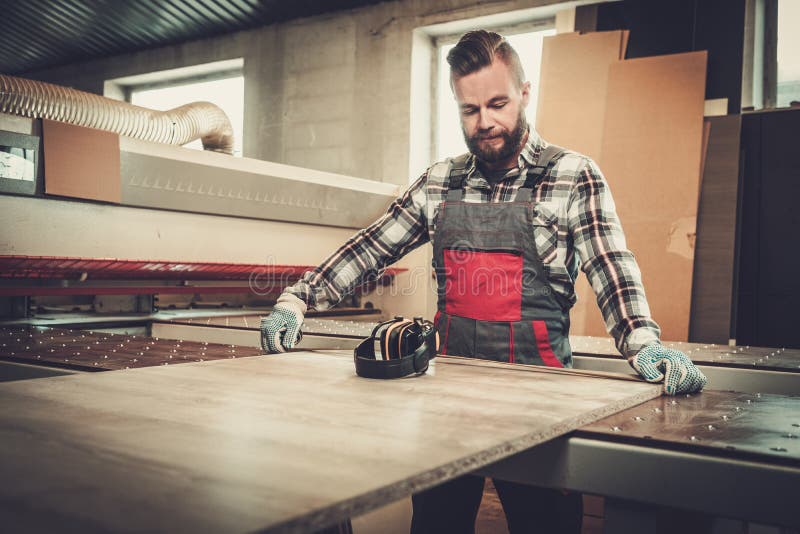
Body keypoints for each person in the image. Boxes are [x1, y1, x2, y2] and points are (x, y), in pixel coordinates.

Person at [260, 30, 707, 534]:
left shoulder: (572, 176)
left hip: (541, 407)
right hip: (447, 400)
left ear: (524, 93)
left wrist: (644, 343)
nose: (485, 122)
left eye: (497, 103)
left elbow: (611, 265)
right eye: (469, 109)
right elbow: (370, 247)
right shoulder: (438, 183)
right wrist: (298, 299)